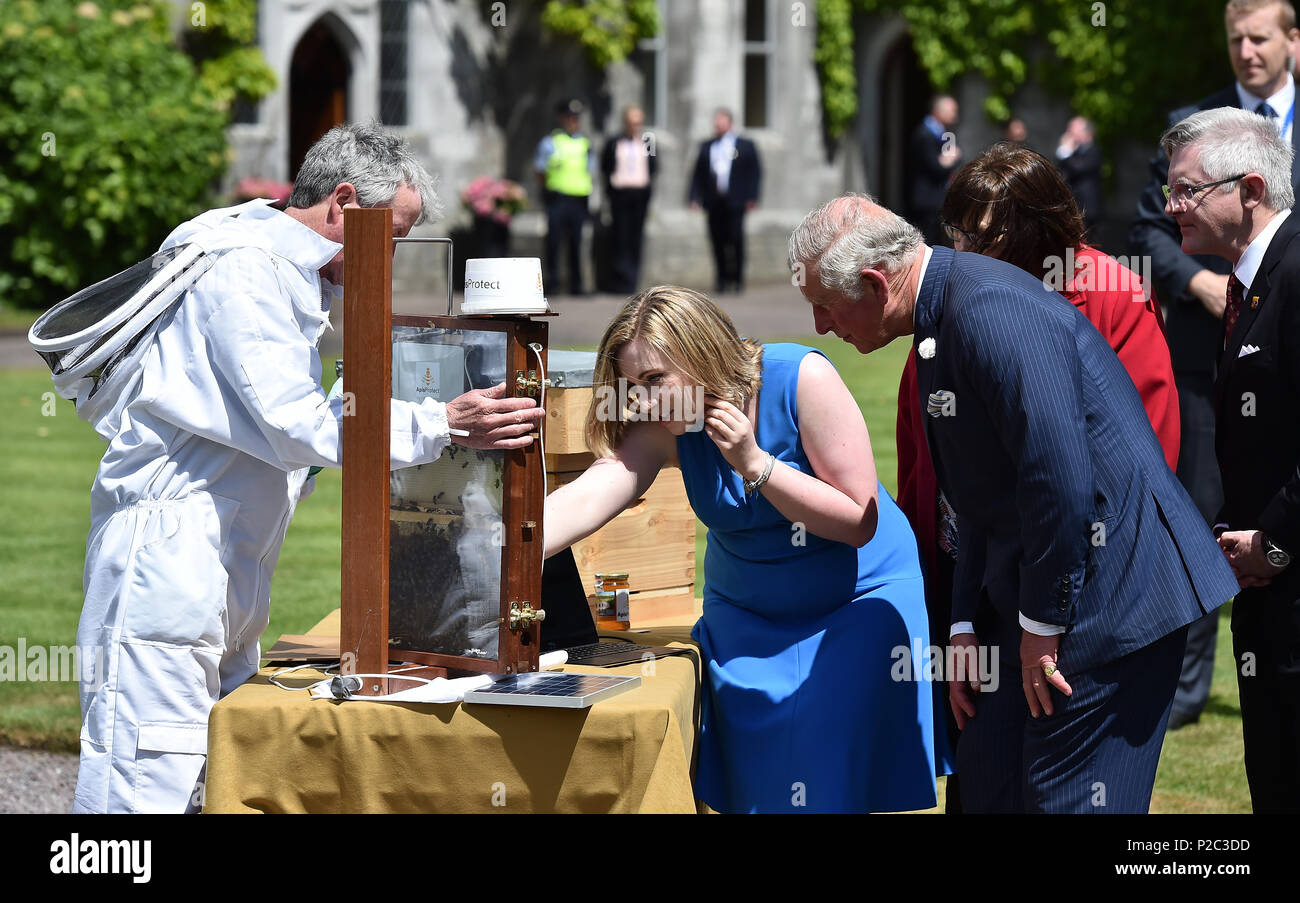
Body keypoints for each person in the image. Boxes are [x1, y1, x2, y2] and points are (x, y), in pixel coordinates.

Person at [70, 123, 546, 814]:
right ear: (345, 202)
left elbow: (283, 436)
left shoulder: (271, 263)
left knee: (223, 779)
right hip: (169, 563)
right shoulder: (244, 267)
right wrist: (439, 421)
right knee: (142, 788)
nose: (390, 257)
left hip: (219, 562)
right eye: (390, 235)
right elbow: (293, 423)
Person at [790, 194, 1239, 813]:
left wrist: (1040, 630)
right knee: (982, 791)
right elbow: (974, 492)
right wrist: (966, 622)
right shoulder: (940, 319)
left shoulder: (987, 311)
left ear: (874, 282)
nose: (819, 325)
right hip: (1041, 600)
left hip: (1113, 607)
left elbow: (1058, 482)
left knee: (1066, 801)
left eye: (823, 304)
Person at [543, 286, 940, 813]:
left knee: (828, 767)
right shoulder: (668, 422)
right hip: (747, 615)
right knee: (759, 786)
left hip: (855, 600)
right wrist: (504, 549)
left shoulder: (800, 377)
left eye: (655, 380)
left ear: (699, 351)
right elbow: (594, 490)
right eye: (631, 385)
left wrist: (757, 463)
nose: (643, 399)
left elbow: (856, 522)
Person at [896, 142, 1181, 812]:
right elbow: (930, 461)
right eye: (958, 232)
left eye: (983, 235)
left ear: (1039, 231)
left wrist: (1059, 597)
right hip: (980, 577)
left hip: (1079, 592)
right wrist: (954, 610)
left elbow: (1143, 454)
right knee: (982, 774)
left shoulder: (1107, 292)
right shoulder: (954, 304)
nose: (965, 249)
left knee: (1063, 784)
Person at [1130, 0, 1300, 729]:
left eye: (1259, 36)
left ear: (1293, 40)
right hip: (1213, 353)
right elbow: (1149, 225)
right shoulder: (1194, 124)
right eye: (1234, 38)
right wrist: (1206, 282)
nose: (1246, 50)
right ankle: (1192, 684)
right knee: (1204, 507)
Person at [1161, 106, 1300, 812]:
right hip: (1266, 598)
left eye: (1188, 190)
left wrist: (1274, 540)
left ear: (1248, 190)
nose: (1169, 205)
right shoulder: (1249, 280)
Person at [689, 109, 761, 293]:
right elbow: (697, 174)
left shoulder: (745, 145)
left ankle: (737, 279)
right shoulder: (707, 146)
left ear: (730, 123)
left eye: (721, 121)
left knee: (735, 239)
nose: (718, 125)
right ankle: (721, 279)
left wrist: (752, 196)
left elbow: (755, 172)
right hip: (714, 201)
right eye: (716, 121)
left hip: (736, 201)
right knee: (717, 240)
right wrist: (693, 197)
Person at [535, 98, 595, 296]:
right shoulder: (550, 142)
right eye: (569, 117)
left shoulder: (585, 143)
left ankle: (577, 285)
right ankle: (552, 283)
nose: (573, 121)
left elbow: (590, 170)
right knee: (554, 242)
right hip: (557, 198)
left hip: (578, 199)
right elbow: (540, 170)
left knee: (577, 243)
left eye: (576, 118)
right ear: (561, 118)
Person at [600, 105, 657, 294]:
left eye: (639, 122)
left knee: (636, 238)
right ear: (625, 122)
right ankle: (620, 281)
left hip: (639, 195)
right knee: (620, 237)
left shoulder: (648, 141)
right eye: (632, 123)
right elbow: (606, 167)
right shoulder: (614, 141)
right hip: (620, 194)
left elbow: (654, 166)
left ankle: (632, 280)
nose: (636, 126)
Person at [907, 95, 963, 245]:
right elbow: (935, 167)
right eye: (952, 110)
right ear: (939, 111)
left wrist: (949, 160)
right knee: (928, 242)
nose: (955, 114)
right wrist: (951, 159)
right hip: (927, 201)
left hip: (937, 200)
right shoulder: (925, 134)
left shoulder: (944, 134)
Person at [1056, 116, 1104, 231]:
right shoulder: (1074, 151)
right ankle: (1069, 251)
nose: (1069, 132)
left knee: (1085, 243)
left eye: (1073, 128)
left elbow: (1078, 169)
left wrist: (1065, 151)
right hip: (1073, 207)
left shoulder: (1093, 151)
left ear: (1086, 132)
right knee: (1070, 244)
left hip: (1087, 208)